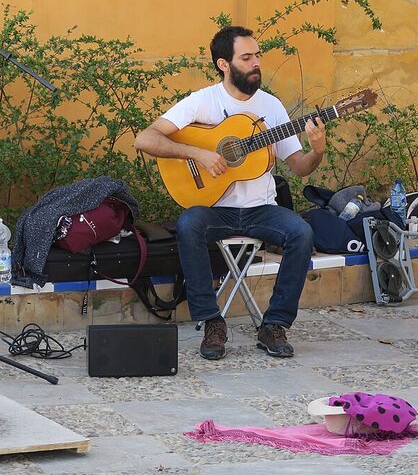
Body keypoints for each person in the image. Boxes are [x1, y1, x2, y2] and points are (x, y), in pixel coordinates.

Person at [134, 26, 325, 360]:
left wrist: (318, 150)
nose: (256, 64)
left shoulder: (271, 107)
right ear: (224, 64)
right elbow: (145, 139)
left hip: (261, 209)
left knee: (302, 232)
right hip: (215, 209)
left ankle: (274, 324)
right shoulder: (202, 101)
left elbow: (299, 166)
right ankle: (211, 321)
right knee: (189, 224)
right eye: (246, 58)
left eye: (258, 57)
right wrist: (198, 154)